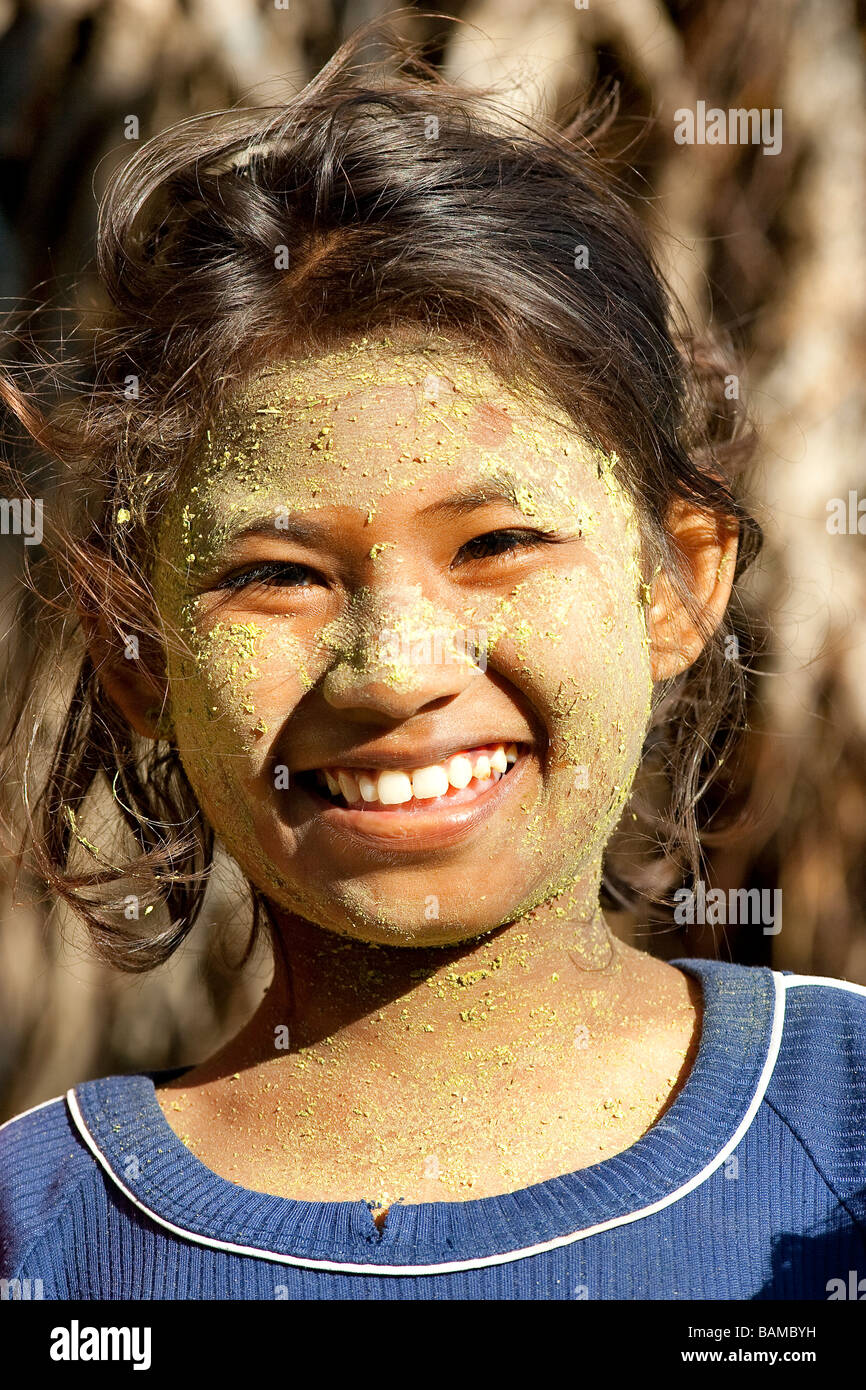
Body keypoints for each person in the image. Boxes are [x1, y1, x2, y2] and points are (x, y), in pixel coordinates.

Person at [1, 22, 864, 1300]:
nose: (395, 672)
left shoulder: (841, 1141)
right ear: (137, 659)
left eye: (499, 542)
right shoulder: (45, 1239)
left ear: (677, 583)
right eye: (276, 575)